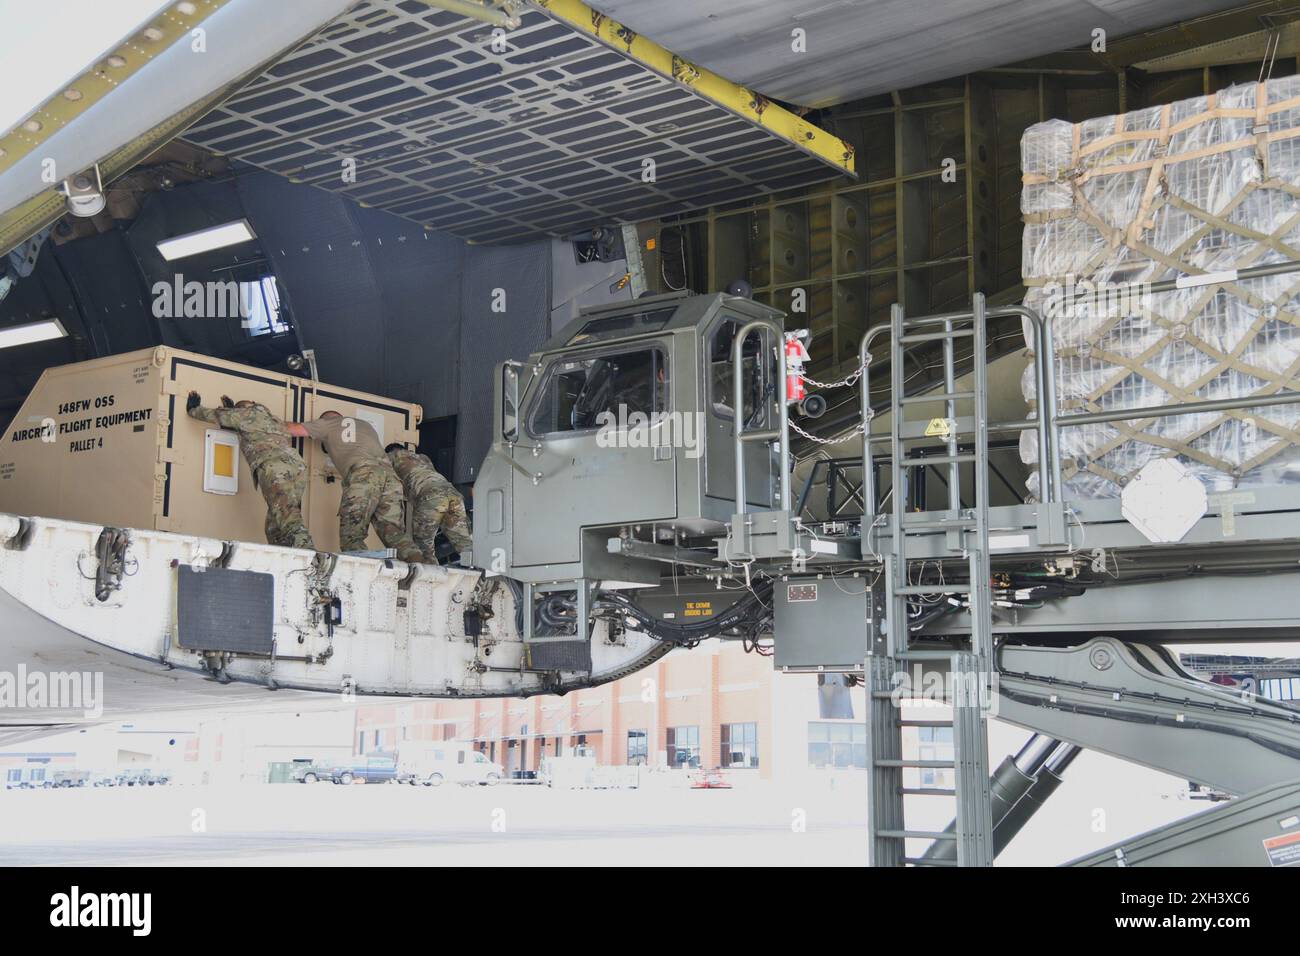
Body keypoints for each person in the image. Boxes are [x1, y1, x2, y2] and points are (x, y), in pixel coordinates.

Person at [285, 411, 424, 563]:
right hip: (391, 477)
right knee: (393, 532)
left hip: (363, 475)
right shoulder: (366, 426)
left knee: (351, 535)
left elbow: (292, 428)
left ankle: (363, 573)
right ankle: (421, 567)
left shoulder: (329, 423)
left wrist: (261, 420)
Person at [185, 392, 314, 550]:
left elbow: (215, 415)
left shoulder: (244, 415)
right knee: (275, 522)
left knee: (286, 514)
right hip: (297, 467)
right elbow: (245, 430)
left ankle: (308, 555)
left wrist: (193, 410)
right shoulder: (273, 419)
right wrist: (232, 413)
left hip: (275, 468)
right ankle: (284, 554)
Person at [385, 442, 472, 563]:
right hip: (452, 493)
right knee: (463, 541)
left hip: (431, 496)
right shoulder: (423, 457)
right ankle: (485, 575)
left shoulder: (391, 457)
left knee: (424, 547)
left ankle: (430, 579)